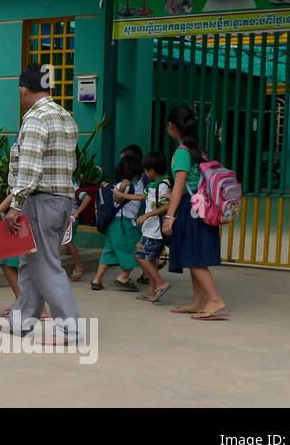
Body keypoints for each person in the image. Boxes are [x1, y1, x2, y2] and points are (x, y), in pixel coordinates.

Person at [0, 63, 81, 344]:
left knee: (44, 265)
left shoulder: (35, 119)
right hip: (60, 200)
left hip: (39, 201)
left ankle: (70, 329)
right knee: (29, 262)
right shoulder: (64, 116)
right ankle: (20, 323)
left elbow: (29, 169)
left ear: (23, 90)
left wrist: (15, 205)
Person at [161, 106, 228, 320]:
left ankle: (215, 300)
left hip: (191, 209)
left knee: (195, 259)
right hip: (201, 207)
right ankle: (198, 301)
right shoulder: (198, 151)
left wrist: (169, 216)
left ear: (171, 126)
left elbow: (180, 185)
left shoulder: (181, 152)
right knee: (194, 256)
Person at [91, 151, 145, 291]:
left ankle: (97, 280)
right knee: (133, 249)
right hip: (123, 223)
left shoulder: (129, 183)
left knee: (109, 250)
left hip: (113, 223)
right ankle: (124, 277)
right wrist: (121, 189)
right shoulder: (127, 184)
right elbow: (116, 202)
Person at [133, 151, 172, 303]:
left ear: (152, 171)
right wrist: (121, 195)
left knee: (139, 255)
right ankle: (152, 291)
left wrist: (146, 215)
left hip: (154, 231)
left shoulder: (162, 186)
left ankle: (161, 283)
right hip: (151, 229)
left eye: (145, 170)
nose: (144, 173)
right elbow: (141, 197)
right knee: (151, 259)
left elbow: (166, 205)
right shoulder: (155, 184)